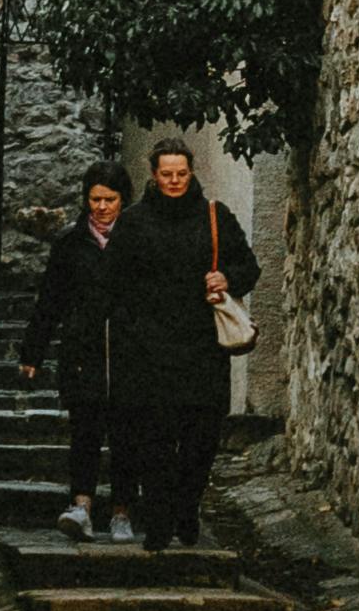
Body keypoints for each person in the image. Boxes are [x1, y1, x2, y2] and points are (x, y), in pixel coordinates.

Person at [100, 135, 253, 555]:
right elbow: (111, 282)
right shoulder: (133, 222)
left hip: (203, 349)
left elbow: (248, 266)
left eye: (181, 174)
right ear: (153, 175)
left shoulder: (214, 217)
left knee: (200, 440)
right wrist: (130, 327)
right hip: (150, 352)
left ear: (191, 173)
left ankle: (187, 506)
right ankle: (159, 523)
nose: (173, 181)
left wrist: (227, 279)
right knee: (154, 441)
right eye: (166, 174)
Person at [15, 166, 124, 536]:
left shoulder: (136, 240)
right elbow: (50, 302)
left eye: (110, 199)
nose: (102, 207)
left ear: (122, 200)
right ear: (85, 200)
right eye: (96, 199)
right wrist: (33, 353)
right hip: (83, 353)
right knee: (85, 431)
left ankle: (123, 512)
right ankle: (82, 508)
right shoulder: (70, 245)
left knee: (128, 432)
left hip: (129, 352)